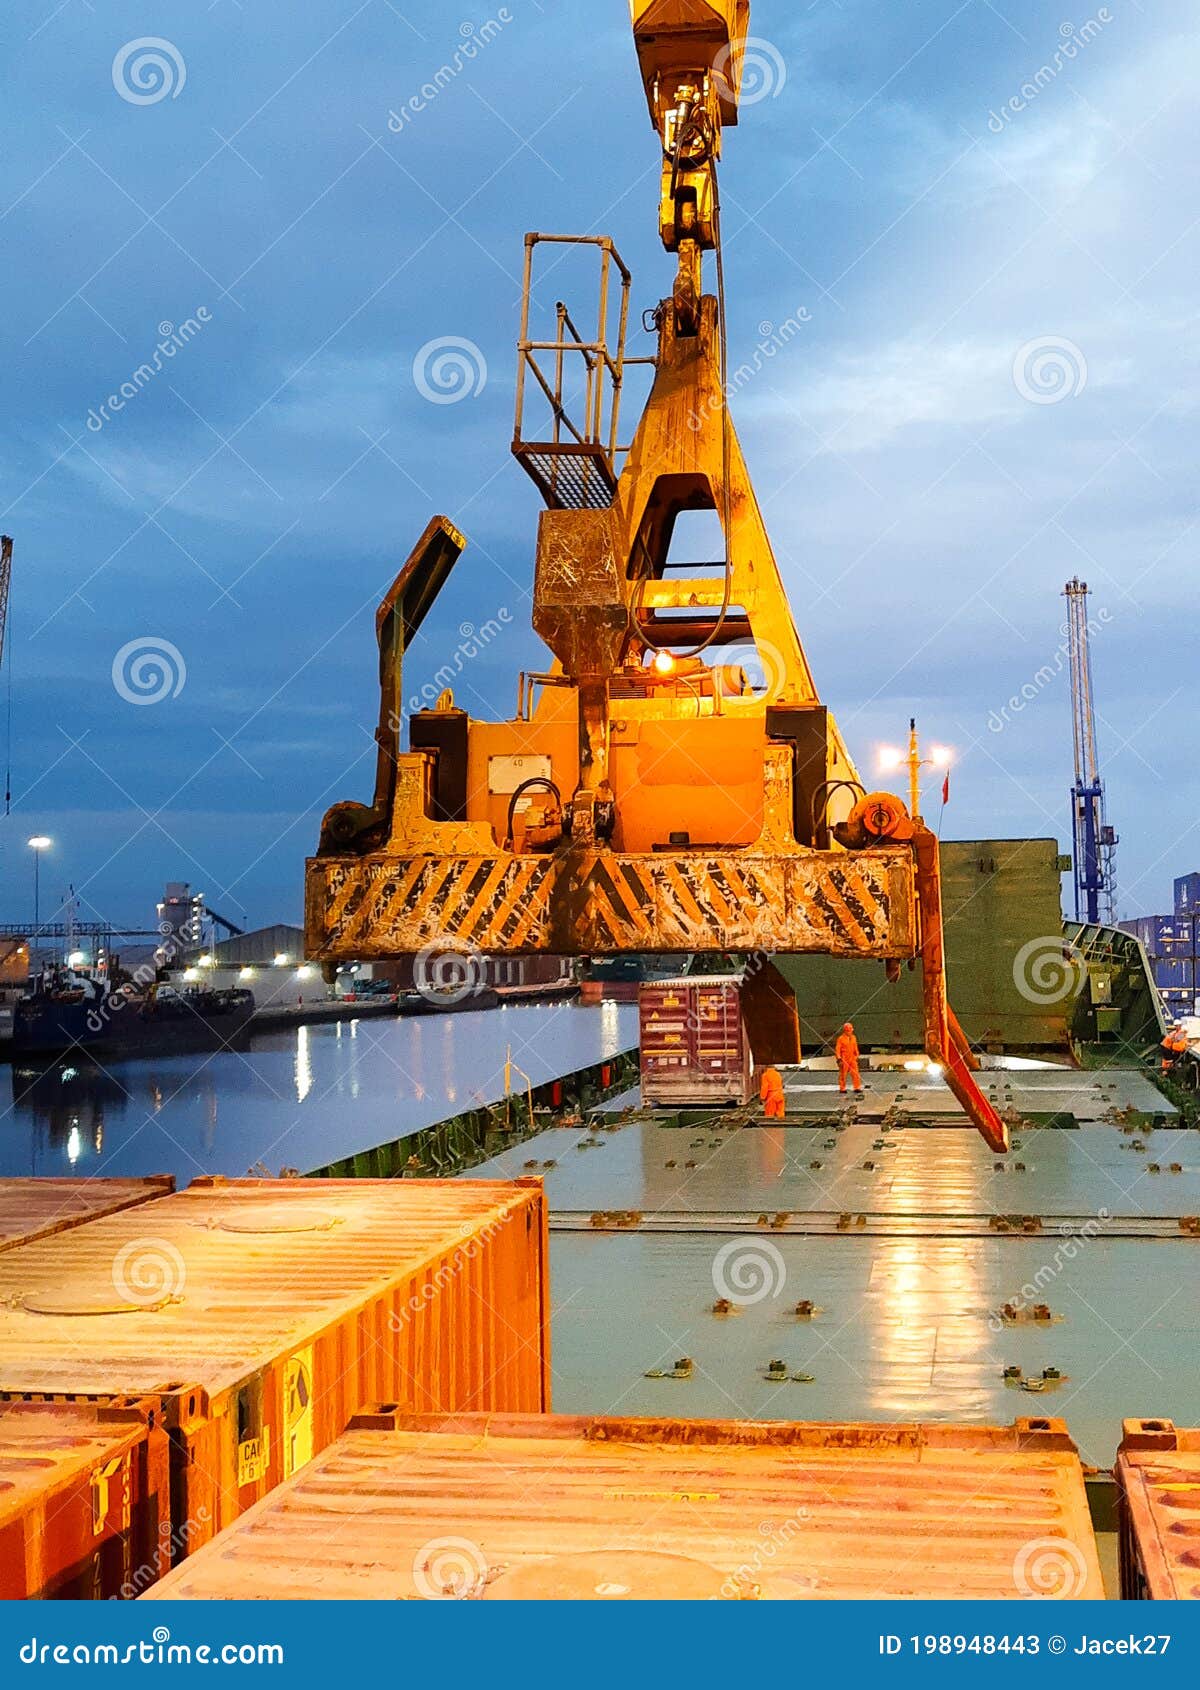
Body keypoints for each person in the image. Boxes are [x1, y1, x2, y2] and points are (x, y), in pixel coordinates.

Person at [835, 1021, 863, 1094]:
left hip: (852, 1057)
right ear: (846, 1030)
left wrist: (857, 1054)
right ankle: (842, 1088)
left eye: (851, 1029)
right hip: (844, 1058)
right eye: (849, 1030)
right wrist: (839, 1058)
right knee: (843, 1074)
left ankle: (857, 1087)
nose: (851, 1031)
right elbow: (837, 1049)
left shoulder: (854, 1037)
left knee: (855, 1073)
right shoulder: (840, 1039)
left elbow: (855, 1047)